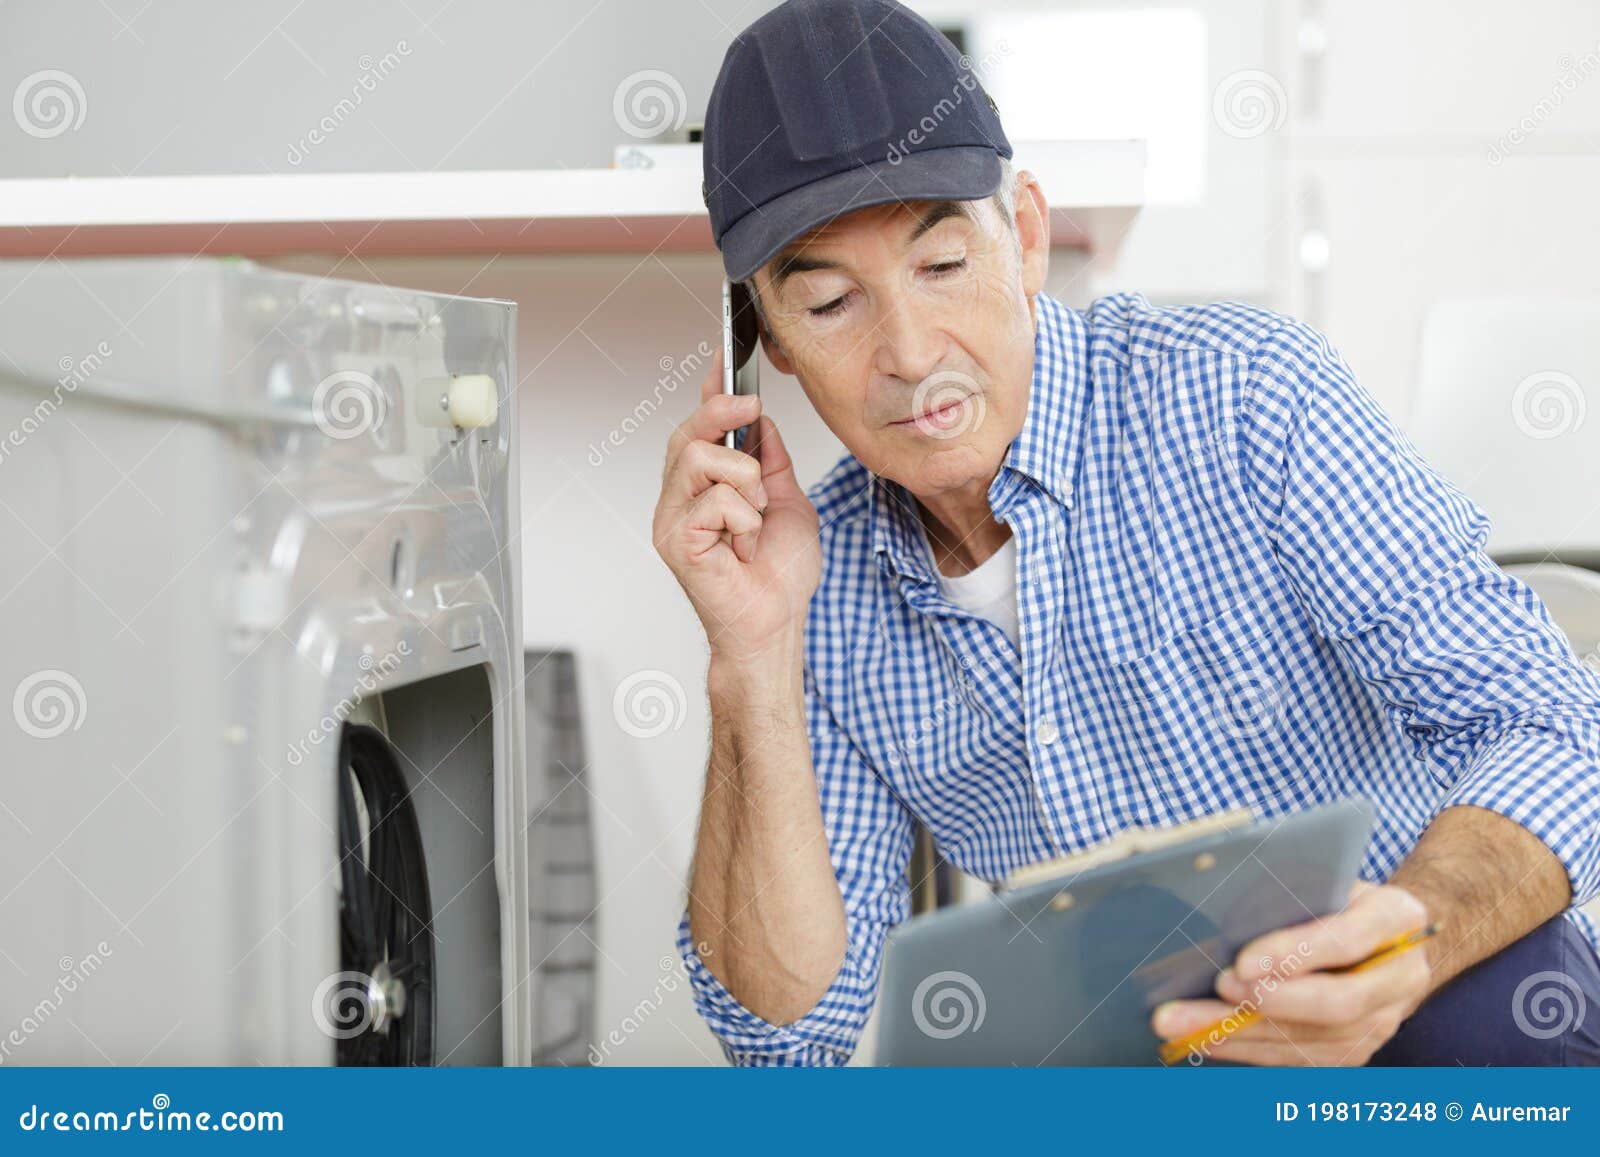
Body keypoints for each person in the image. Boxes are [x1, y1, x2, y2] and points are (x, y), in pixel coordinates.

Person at [652, 0, 1600, 1066]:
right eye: (831, 304)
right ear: (769, 341)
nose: (911, 354)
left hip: (1426, 992)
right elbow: (785, 1037)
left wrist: (1412, 940)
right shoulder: (812, 580)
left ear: (1024, 235)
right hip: (1155, 1058)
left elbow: (1552, 726)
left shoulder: (1248, 395)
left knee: (1504, 1005)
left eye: (943, 266)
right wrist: (750, 658)